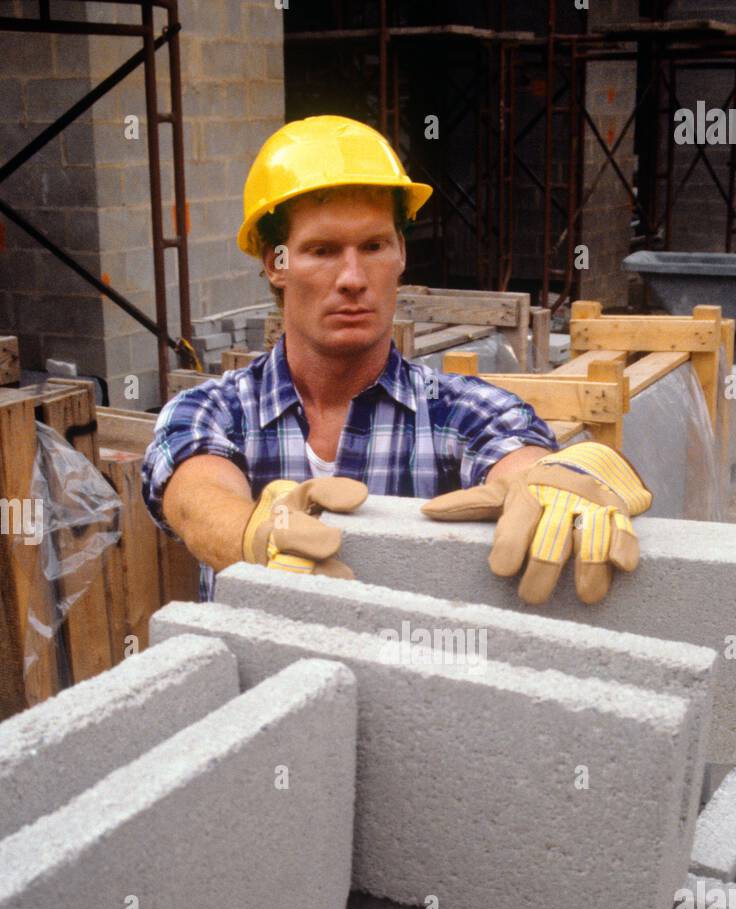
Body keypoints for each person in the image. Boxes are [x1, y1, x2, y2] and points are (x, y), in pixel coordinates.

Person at [142, 115, 651, 606]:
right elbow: (195, 495)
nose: (353, 277)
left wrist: (559, 475)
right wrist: (248, 535)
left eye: (373, 246)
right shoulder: (213, 409)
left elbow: (517, 455)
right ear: (275, 265)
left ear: (401, 253)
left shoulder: (459, 411)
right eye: (321, 250)